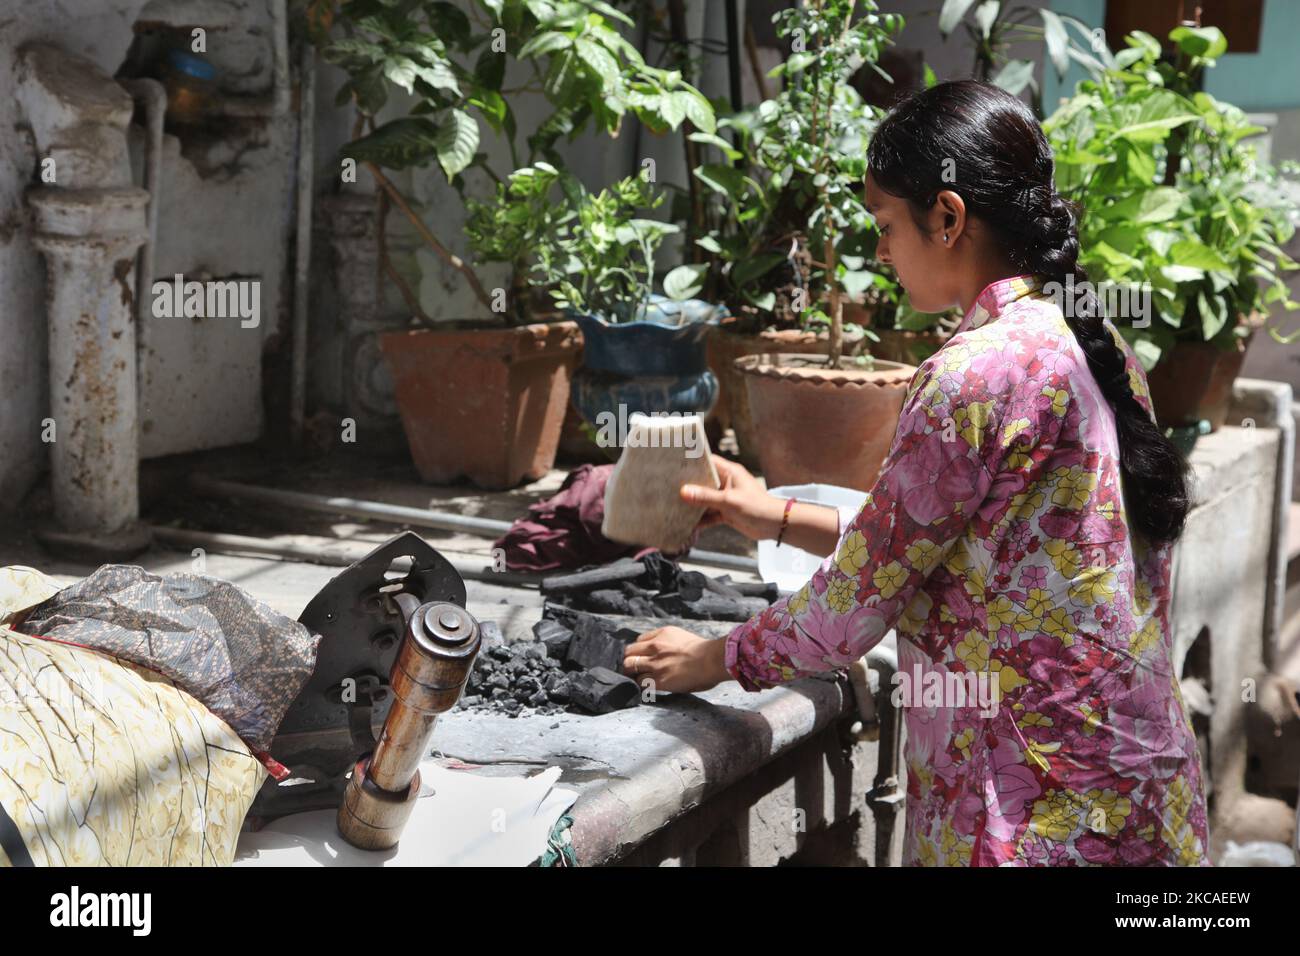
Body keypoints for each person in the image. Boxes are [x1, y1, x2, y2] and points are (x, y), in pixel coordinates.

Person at [622, 80, 1211, 867]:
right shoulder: (1092, 346)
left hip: (1033, 818)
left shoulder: (973, 374)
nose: (879, 253)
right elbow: (980, 550)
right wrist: (776, 516)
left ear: (947, 216)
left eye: (885, 225)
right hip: (1141, 799)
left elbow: (854, 607)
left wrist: (716, 658)